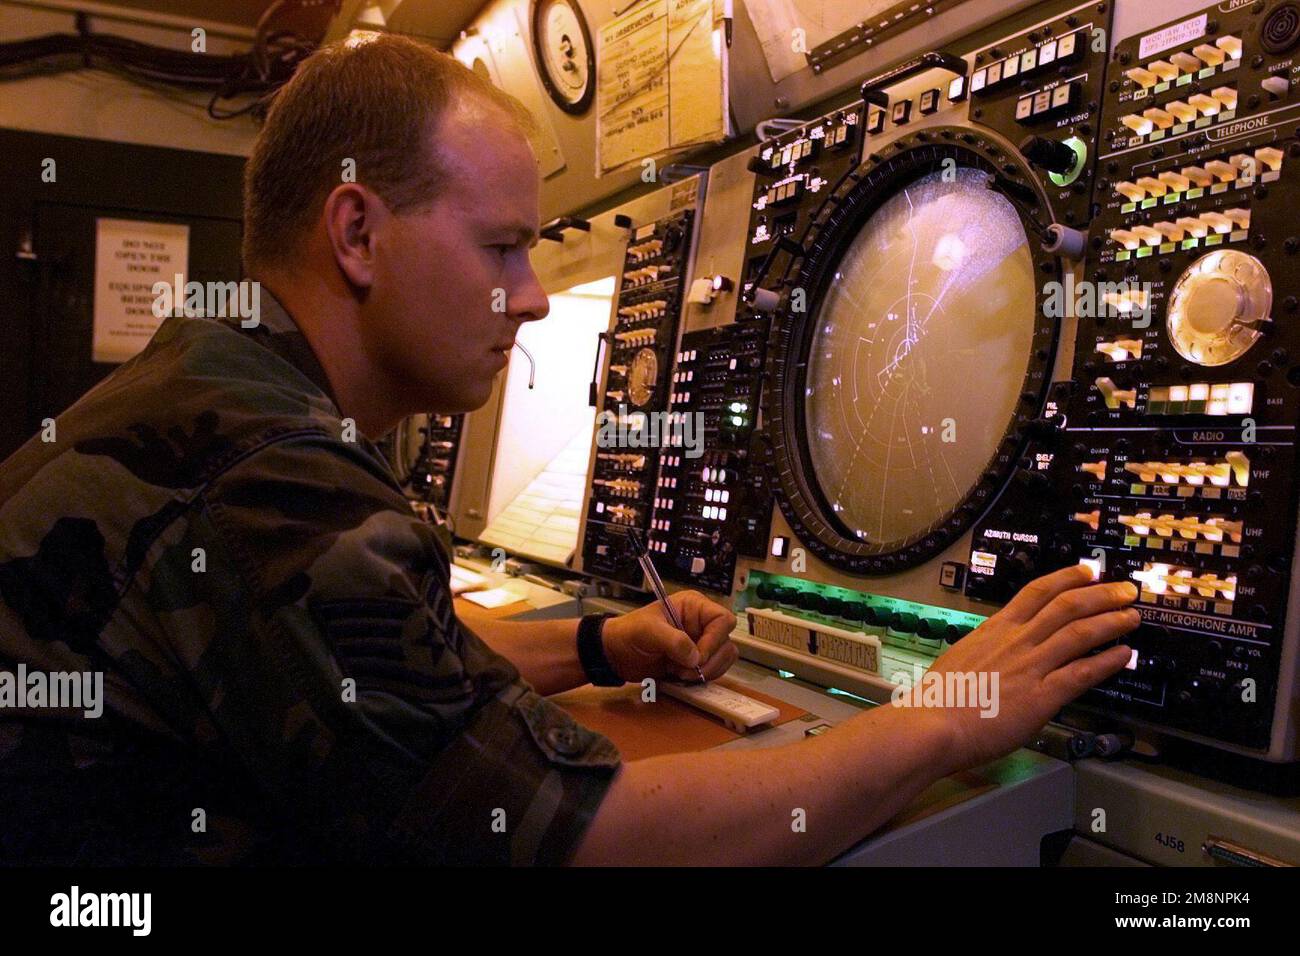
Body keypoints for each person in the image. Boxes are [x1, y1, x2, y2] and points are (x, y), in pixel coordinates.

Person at [0, 35, 1139, 866]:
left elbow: (383, 667)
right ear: (356, 233)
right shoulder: (269, 480)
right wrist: (942, 713)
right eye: (502, 247)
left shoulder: (221, 392)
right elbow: (587, 839)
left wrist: (598, 640)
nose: (535, 297)